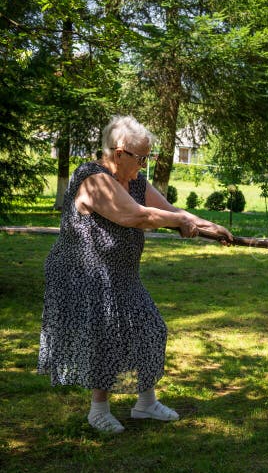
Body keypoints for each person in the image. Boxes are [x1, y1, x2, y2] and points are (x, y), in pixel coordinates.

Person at [38, 115, 233, 433]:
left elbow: (171, 211)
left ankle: (145, 404)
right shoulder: (93, 178)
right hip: (84, 271)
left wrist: (213, 228)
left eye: (147, 157)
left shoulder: (136, 183)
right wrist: (178, 223)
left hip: (121, 272)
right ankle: (98, 410)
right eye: (141, 157)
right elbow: (134, 216)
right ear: (119, 153)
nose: (145, 163)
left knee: (150, 328)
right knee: (105, 336)